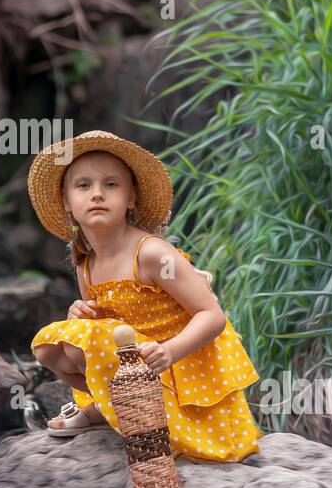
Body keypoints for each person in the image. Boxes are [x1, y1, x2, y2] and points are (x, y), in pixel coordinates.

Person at [27, 130, 262, 461]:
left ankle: (117, 412)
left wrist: (169, 351)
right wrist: (81, 314)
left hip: (178, 376)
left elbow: (213, 315)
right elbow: (104, 329)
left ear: (131, 198)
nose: (97, 194)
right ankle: (108, 409)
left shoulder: (151, 253)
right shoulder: (86, 264)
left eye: (111, 185)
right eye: (83, 186)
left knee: (84, 341)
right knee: (55, 346)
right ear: (67, 201)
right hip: (137, 374)